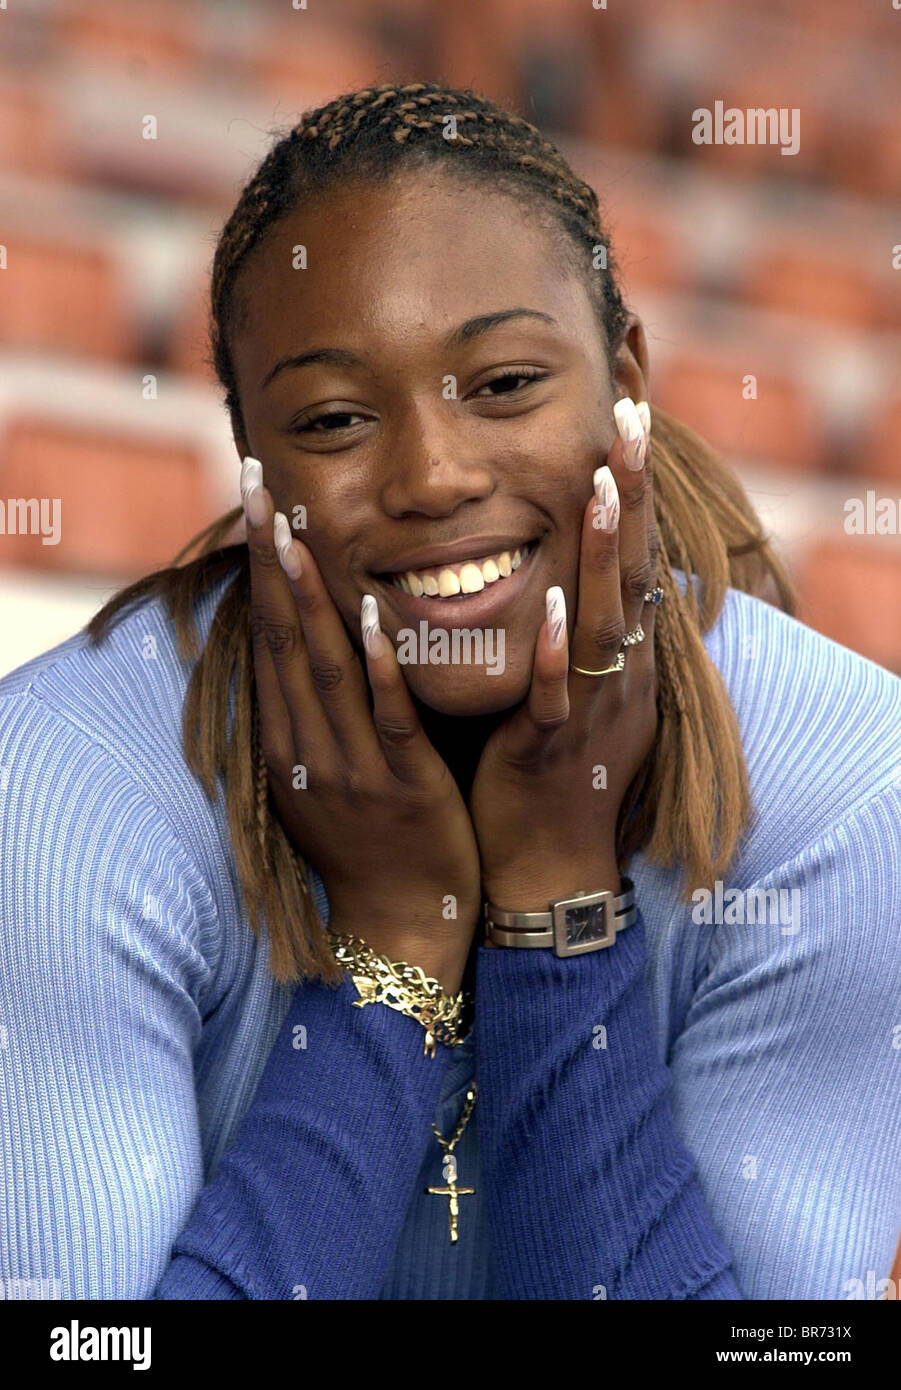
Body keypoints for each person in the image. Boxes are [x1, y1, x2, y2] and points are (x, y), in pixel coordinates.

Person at [1, 83, 898, 1301]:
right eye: (333, 416)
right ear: (252, 457)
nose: (432, 473)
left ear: (624, 378)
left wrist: (557, 913)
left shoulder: (846, 789)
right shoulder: (60, 780)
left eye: (506, 383)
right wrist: (388, 955)